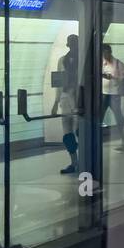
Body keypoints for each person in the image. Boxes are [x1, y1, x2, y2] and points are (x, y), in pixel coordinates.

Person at [51, 34, 81, 173]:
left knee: (80, 131)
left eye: (75, 43)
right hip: (65, 97)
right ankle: (74, 162)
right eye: (71, 43)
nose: (73, 46)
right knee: (67, 134)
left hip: (79, 99)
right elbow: (58, 82)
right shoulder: (62, 60)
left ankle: (84, 159)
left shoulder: (84, 61)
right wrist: (56, 102)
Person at [101, 43, 124, 151]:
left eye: (106, 52)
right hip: (103, 93)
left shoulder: (118, 64)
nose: (105, 54)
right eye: (103, 52)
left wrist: (114, 78)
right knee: (99, 117)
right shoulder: (102, 63)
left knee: (119, 117)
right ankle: (97, 141)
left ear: (110, 52)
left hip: (115, 94)